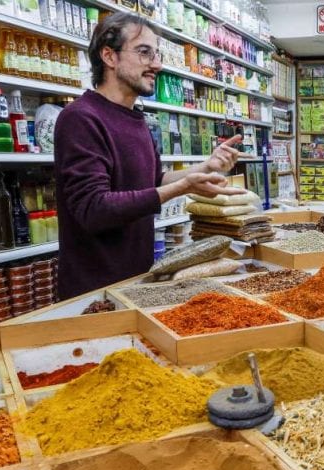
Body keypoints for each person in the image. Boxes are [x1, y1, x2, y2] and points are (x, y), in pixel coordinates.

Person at [54, 12, 245, 299]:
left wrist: (206, 166)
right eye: (144, 52)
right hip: (94, 291)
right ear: (109, 56)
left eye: (156, 54)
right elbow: (93, 209)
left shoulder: (138, 119)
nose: (156, 64)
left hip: (137, 280)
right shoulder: (80, 118)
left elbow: (153, 180)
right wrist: (181, 188)